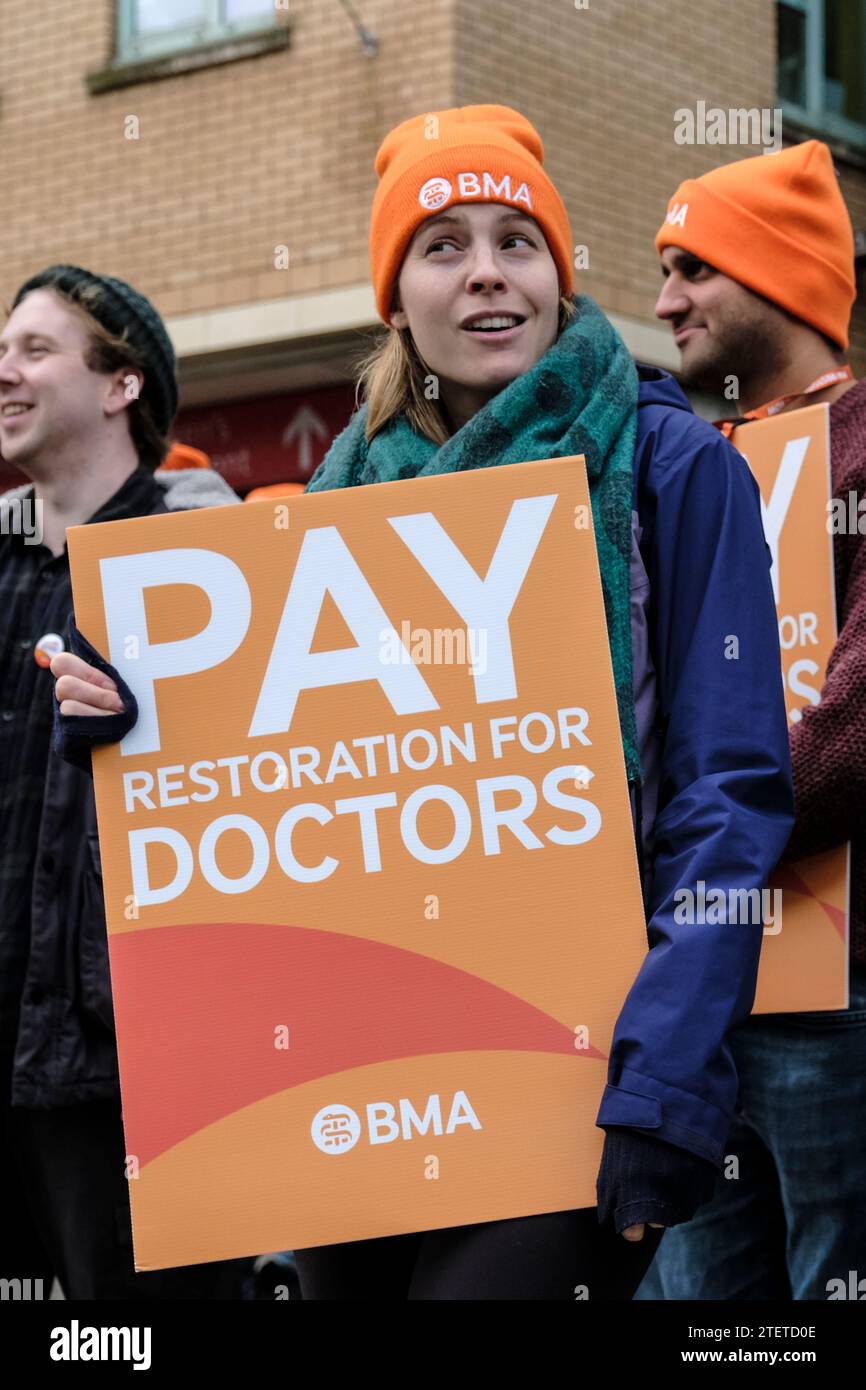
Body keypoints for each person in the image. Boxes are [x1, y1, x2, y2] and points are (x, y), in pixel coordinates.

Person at [50, 107, 794, 1300]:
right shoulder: (331, 500)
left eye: (518, 240)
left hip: (582, 1077)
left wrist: (663, 1082)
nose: (488, 271)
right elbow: (264, 795)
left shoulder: (671, 466)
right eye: (442, 245)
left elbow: (731, 791)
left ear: (558, 273)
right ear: (395, 296)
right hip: (356, 1087)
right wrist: (130, 717)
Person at [637, 138, 866, 1300]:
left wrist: (693, 835)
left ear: (778, 280)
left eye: (692, 269)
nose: (663, 298)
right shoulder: (684, 468)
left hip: (838, 997)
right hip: (701, 994)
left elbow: (855, 724)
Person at [0, 264, 247, 1298]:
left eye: (35, 351)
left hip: (128, 1074)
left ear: (121, 386)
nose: (4, 373)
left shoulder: (208, 569)